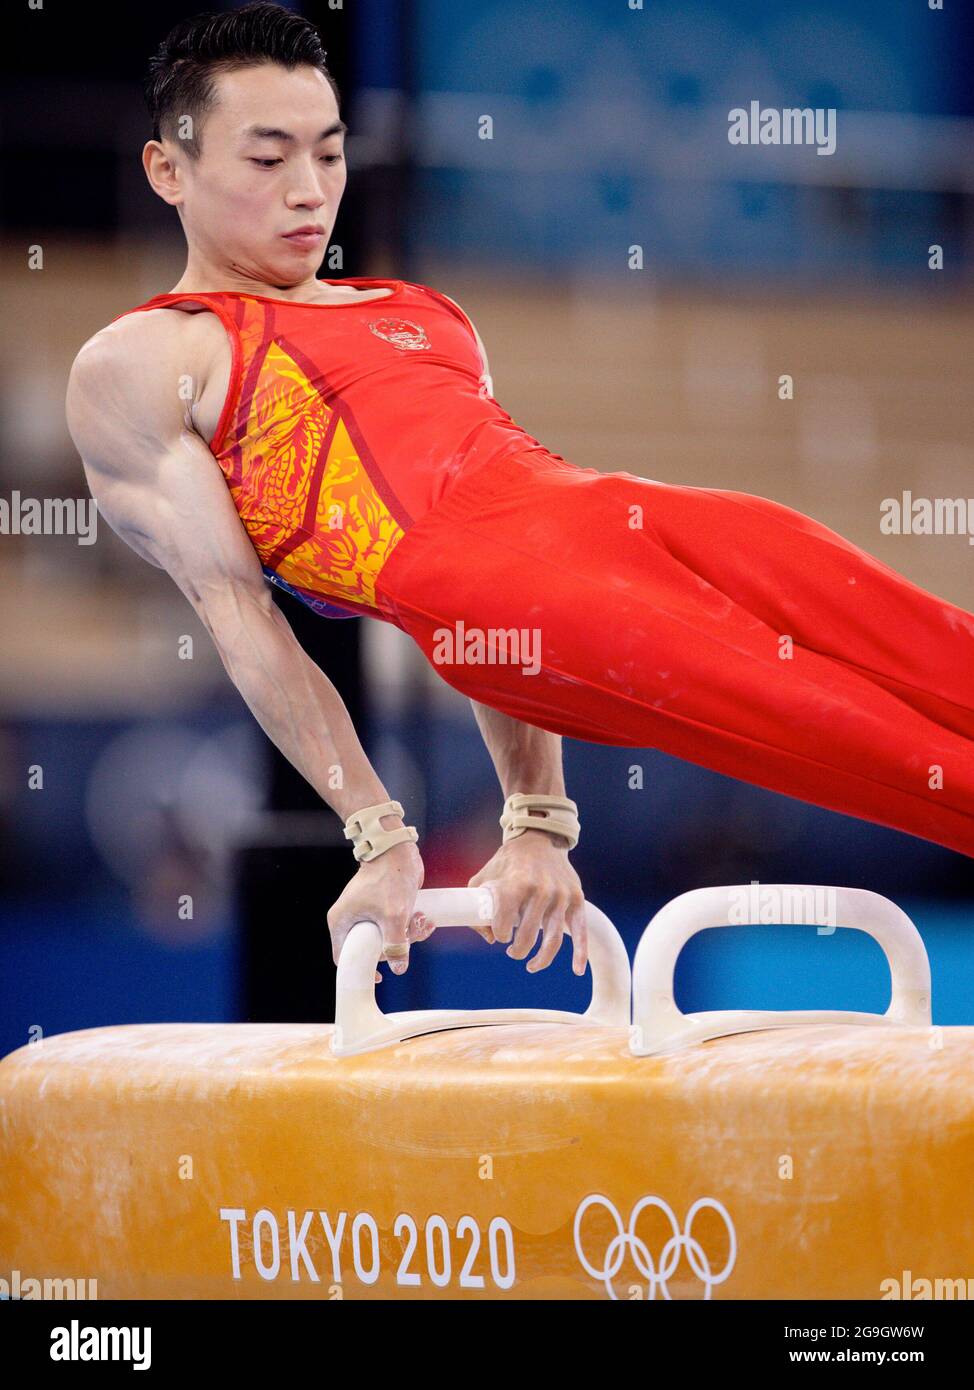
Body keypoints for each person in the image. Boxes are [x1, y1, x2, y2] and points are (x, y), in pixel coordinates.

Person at [66, 4, 974, 983]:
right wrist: (376, 834)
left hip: (613, 515)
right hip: (490, 584)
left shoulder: (419, 309)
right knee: (851, 735)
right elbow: (242, 615)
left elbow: (507, 639)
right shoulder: (150, 356)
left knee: (929, 643)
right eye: (267, 158)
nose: (308, 192)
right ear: (169, 170)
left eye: (327, 155)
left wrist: (536, 821)